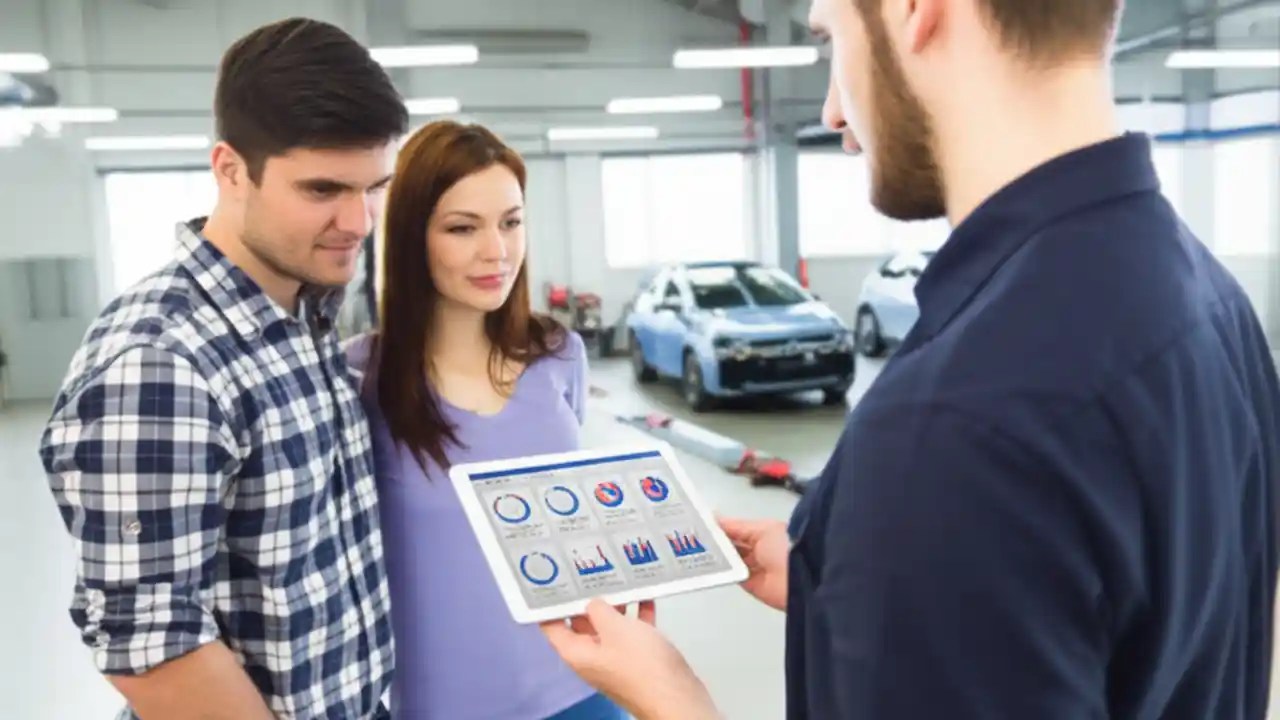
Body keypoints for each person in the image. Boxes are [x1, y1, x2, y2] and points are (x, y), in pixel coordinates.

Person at [541, 0, 1280, 718]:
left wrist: (673, 705)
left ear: (916, 9)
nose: (834, 114)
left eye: (834, 38)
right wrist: (847, 578)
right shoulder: (1207, 300)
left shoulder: (953, 423)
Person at [39, 18, 406, 720]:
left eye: (374, 186)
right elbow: (153, 645)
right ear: (230, 170)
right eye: (322, 188)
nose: (359, 221)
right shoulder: (162, 364)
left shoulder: (305, 314)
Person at [344, 120, 626, 720]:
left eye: (511, 221)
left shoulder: (558, 356)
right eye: (462, 228)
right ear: (411, 239)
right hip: (444, 705)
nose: (496, 250)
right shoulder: (360, 382)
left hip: (583, 692)